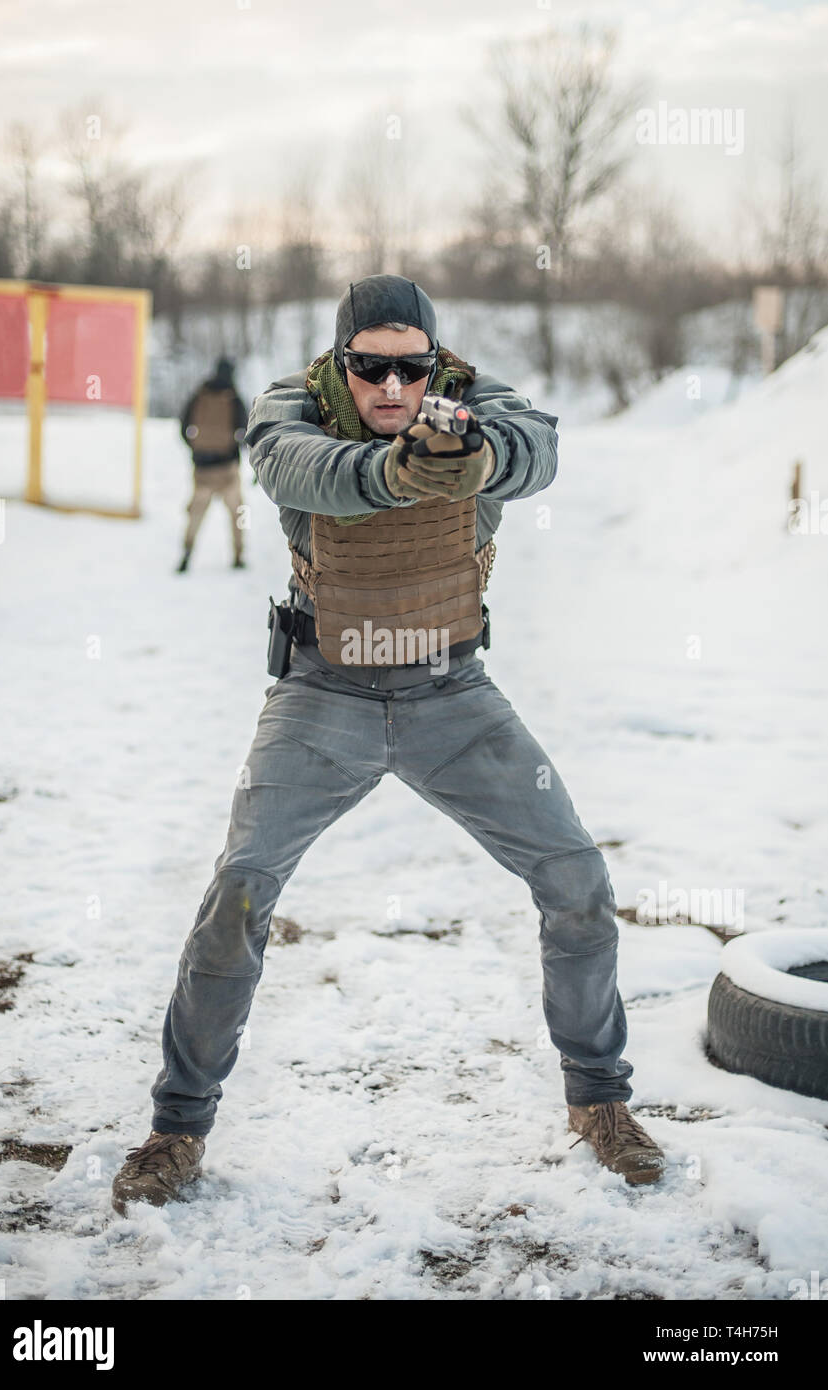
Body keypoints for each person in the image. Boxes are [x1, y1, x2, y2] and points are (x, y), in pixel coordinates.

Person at [112, 274, 664, 1216]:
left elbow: (541, 450)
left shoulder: (476, 400)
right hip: (323, 692)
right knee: (239, 889)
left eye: (410, 367)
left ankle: (599, 1103)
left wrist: (478, 454)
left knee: (576, 881)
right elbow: (288, 465)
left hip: (451, 693)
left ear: (435, 363)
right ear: (341, 360)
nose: (391, 387)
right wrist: (395, 473)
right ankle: (177, 1125)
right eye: (369, 365)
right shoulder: (293, 403)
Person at [177, 357, 249, 572]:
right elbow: (244, 430)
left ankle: (187, 551)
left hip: (202, 469)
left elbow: (183, 426)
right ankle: (238, 555)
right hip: (227, 469)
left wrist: (195, 449)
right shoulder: (234, 397)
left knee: (195, 514)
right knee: (239, 514)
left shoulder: (199, 394)